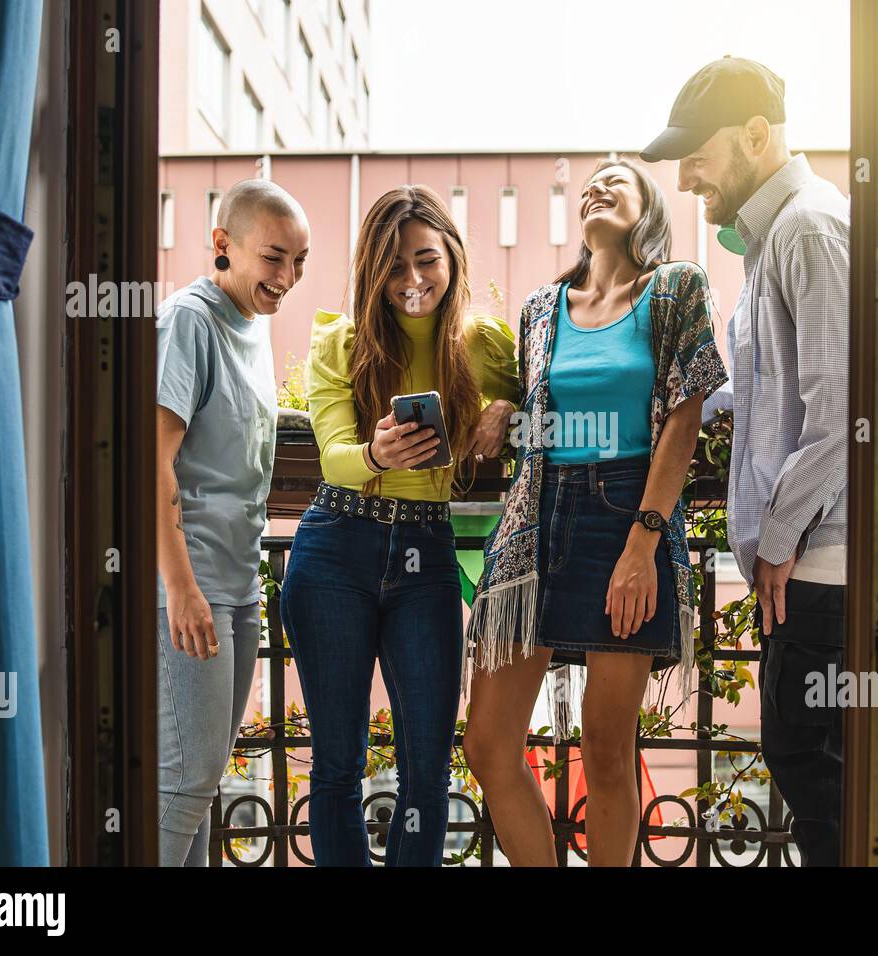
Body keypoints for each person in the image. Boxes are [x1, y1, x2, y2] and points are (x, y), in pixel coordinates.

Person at [462, 158, 729, 866]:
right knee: (488, 744)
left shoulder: (675, 287)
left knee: (608, 747)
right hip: (535, 521)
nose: (597, 189)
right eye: (588, 185)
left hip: (626, 515)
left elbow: (683, 415)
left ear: (648, 207)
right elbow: (549, 409)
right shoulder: (540, 310)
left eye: (618, 180)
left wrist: (642, 543)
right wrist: (506, 407)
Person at [642, 56, 851, 867]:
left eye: (698, 152)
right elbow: (781, 398)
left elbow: (846, 405)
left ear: (758, 134)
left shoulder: (807, 227)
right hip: (800, 567)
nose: (687, 175)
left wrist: (780, 533)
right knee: (809, 771)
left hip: (819, 568)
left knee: (817, 774)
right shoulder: (773, 240)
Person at [279, 185, 518, 867]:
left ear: (452, 257)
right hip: (335, 549)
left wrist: (504, 404)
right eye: (394, 266)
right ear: (372, 271)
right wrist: (375, 454)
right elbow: (332, 459)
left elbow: (548, 393)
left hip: (427, 553)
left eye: (426, 260)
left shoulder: (486, 342)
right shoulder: (341, 341)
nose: (412, 281)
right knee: (337, 766)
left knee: (427, 767)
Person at [156, 179, 311, 866]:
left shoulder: (251, 326)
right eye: (274, 258)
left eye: (300, 261)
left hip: (239, 584)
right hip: (192, 588)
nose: (288, 278)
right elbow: (148, 461)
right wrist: (181, 588)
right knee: (183, 782)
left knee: (204, 782)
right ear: (222, 245)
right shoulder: (187, 321)